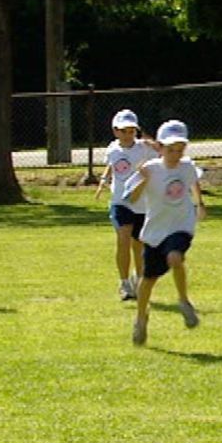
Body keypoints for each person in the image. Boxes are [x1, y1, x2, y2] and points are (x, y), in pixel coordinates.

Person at [123, 120, 206, 346]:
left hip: (181, 226)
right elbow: (131, 198)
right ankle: (141, 318)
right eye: (171, 150)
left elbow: (194, 181)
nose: (176, 154)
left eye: (180, 150)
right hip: (156, 231)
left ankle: (184, 301)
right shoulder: (150, 169)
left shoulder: (187, 166)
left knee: (175, 257)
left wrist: (201, 204)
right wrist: (143, 181)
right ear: (160, 147)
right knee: (147, 280)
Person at [94, 109, 159, 300]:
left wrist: (149, 140)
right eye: (123, 131)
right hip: (120, 202)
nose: (128, 135)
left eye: (131, 131)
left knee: (138, 245)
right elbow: (113, 165)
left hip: (141, 202)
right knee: (123, 238)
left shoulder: (144, 148)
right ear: (115, 131)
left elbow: (164, 150)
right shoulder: (112, 148)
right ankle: (124, 283)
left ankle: (139, 281)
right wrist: (104, 180)